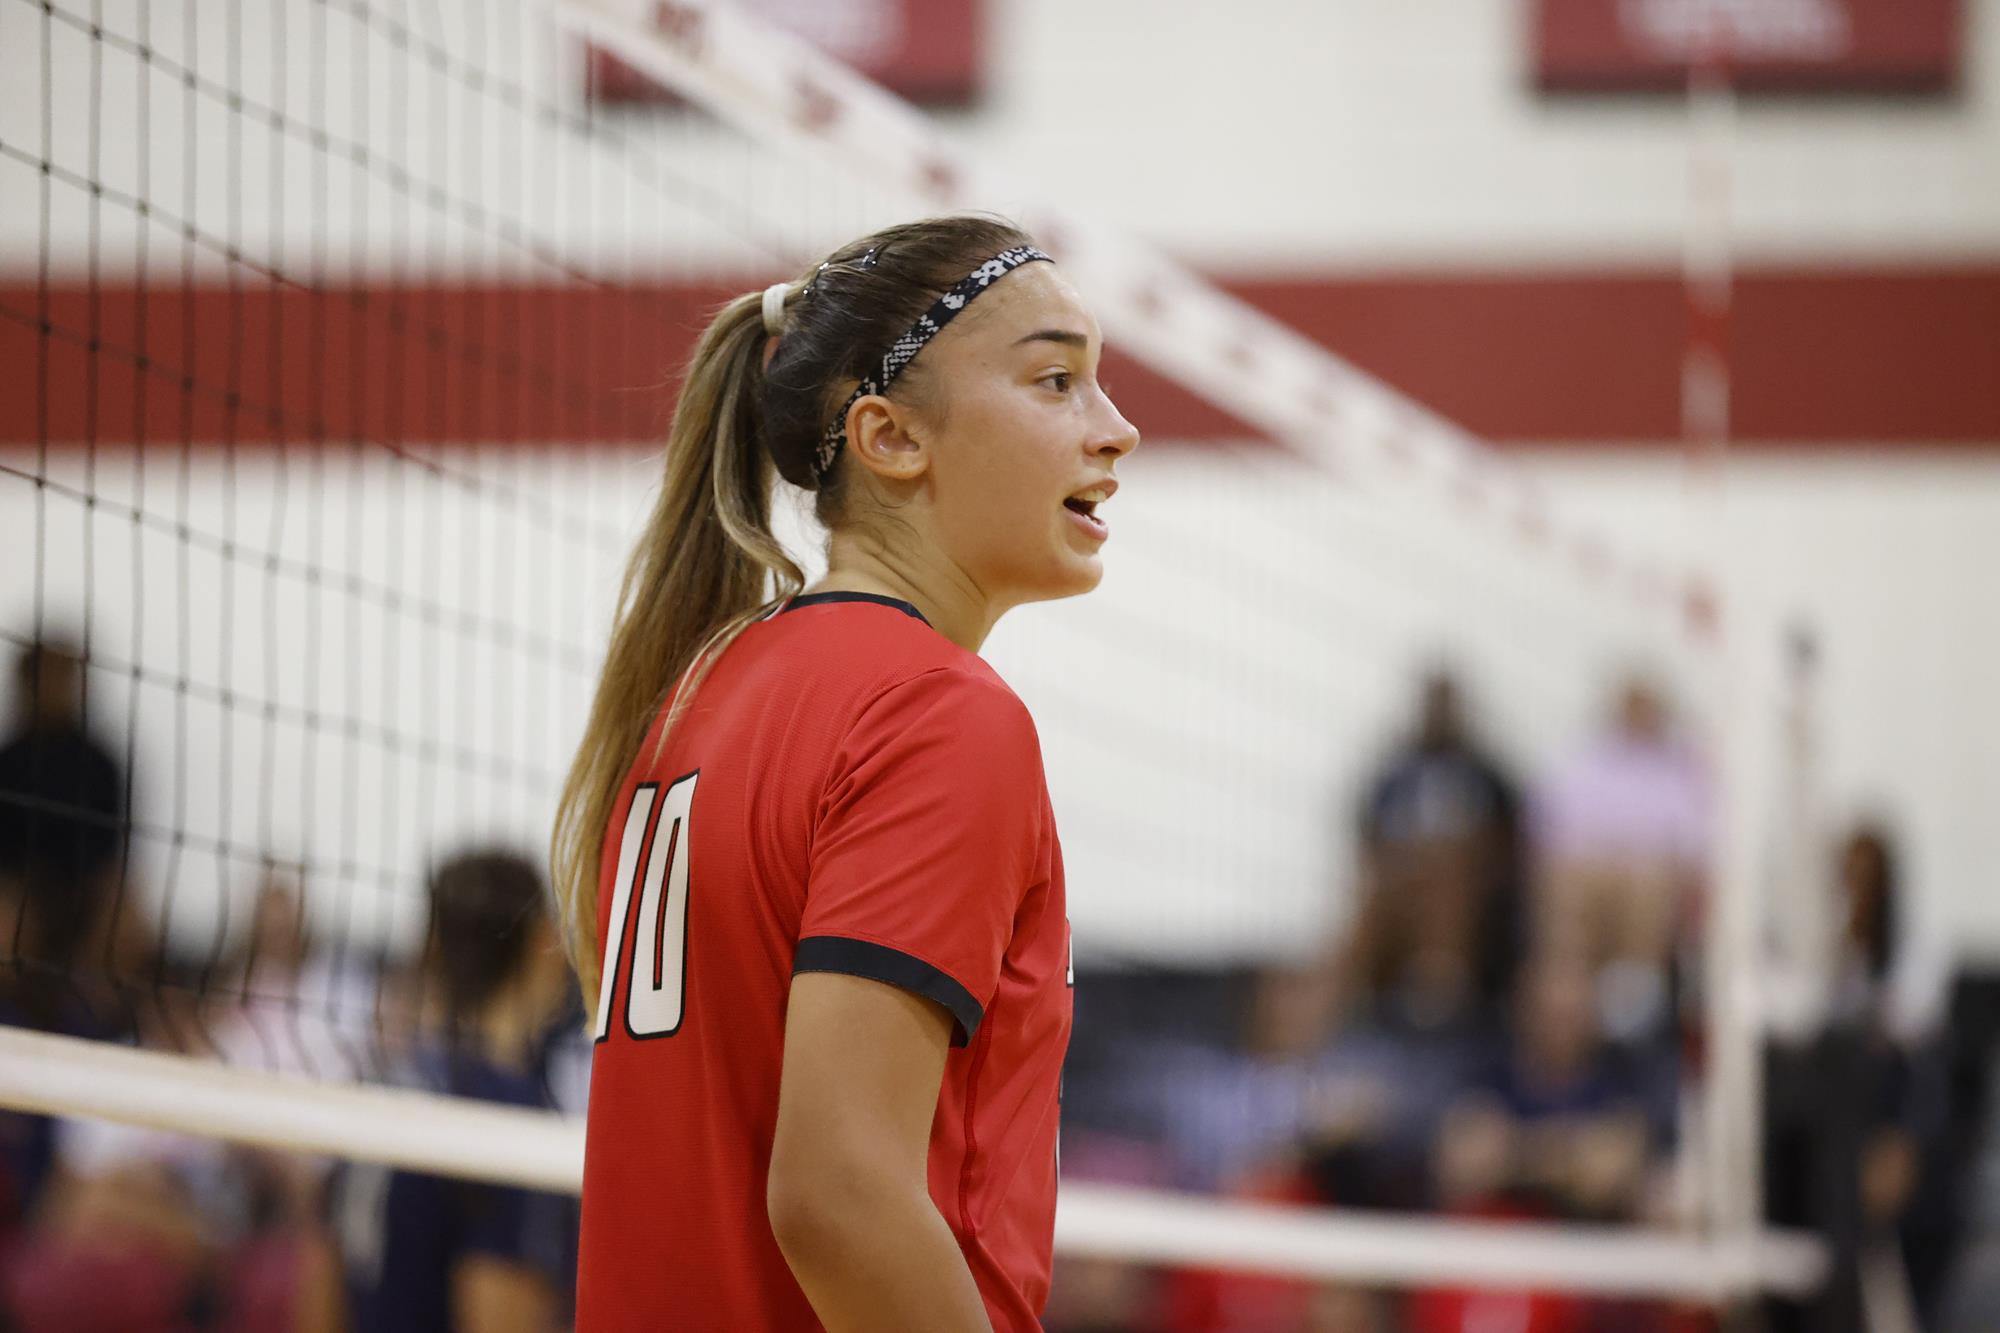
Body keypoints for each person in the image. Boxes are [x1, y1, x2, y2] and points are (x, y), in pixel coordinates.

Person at [553, 215, 1137, 1331]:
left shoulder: (696, 692)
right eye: (1056, 381)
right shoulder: (934, 714)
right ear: (888, 437)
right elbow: (837, 1195)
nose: (1115, 431)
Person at [326, 851, 575, 1333]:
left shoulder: (383, 1087)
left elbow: (320, 1274)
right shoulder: (510, 1116)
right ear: (543, 939)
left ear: (433, 945)